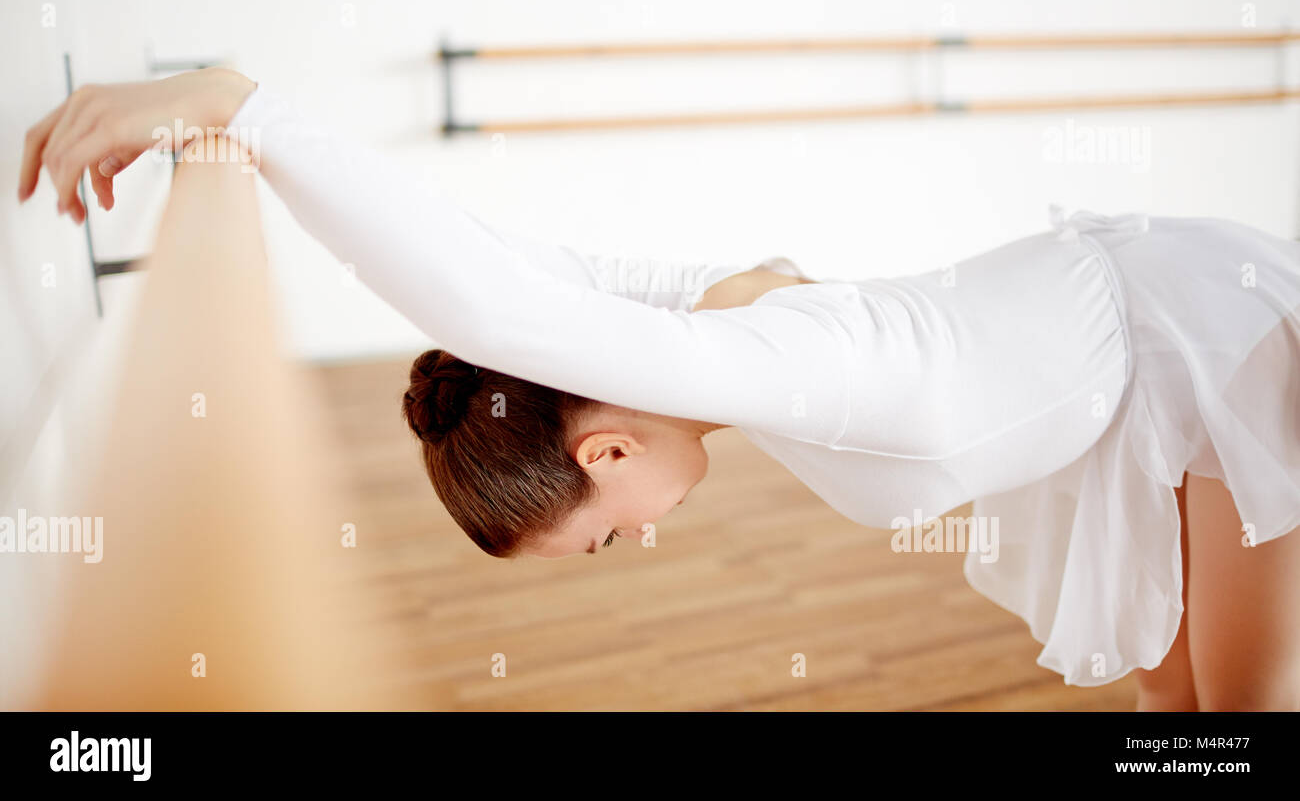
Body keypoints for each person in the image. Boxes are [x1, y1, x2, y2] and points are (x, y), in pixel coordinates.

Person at [18, 67, 1300, 708]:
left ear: (606, 456)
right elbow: (531, 276)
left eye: (603, 534)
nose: (636, 539)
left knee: (1237, 717)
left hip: (1201, 338)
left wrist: (244, 109)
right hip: (1126, 382)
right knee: (1173, 706)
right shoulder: (719, 322)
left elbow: (494, 299)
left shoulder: (767, 359)